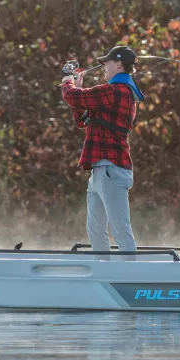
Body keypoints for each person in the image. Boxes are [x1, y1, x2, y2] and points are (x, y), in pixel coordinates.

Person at [60, 45, 145, 256]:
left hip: (111, 170)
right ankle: (102, 272)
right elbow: (82, 119)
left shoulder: (117, 91)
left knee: (121, 232)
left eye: (106, 62)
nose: (103, 66)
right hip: (100, 171)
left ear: (118, 64)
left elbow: (73, 97)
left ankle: (131, 278)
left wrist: (68, 83)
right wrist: (76, 89)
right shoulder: (114, 92)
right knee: (95, 230)